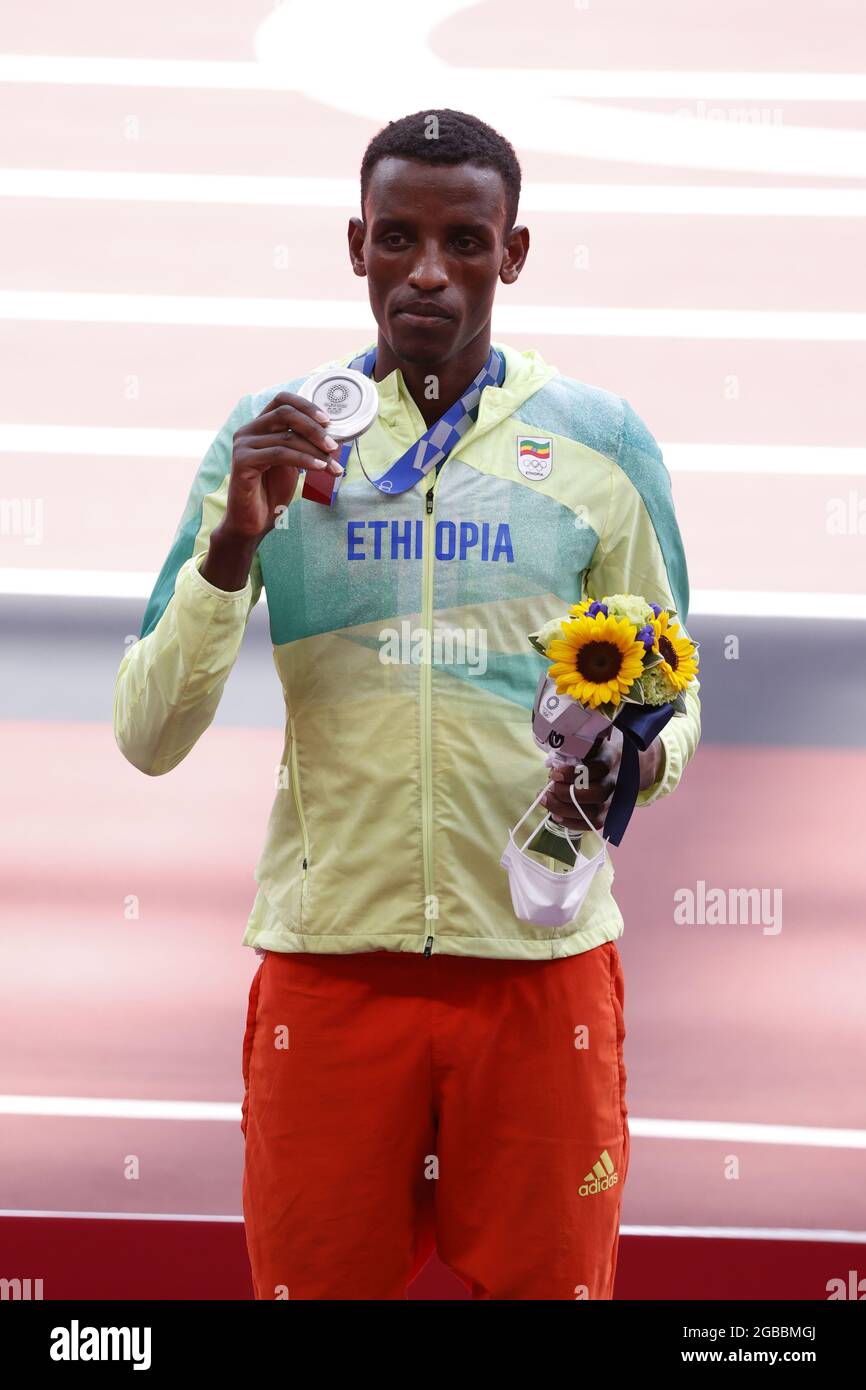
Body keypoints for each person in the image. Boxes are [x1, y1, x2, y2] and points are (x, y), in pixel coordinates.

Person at [113, 108, 701, 1301]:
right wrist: (234, 546)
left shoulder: (600, 444)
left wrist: (627, 762)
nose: (428, 271)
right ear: (356, 245)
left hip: (537, 967)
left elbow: (669, 691)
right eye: (397, 237)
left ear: (513, 252)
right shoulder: (271, 441)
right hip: (330, 976)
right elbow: (146, 732)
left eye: (464, 241)